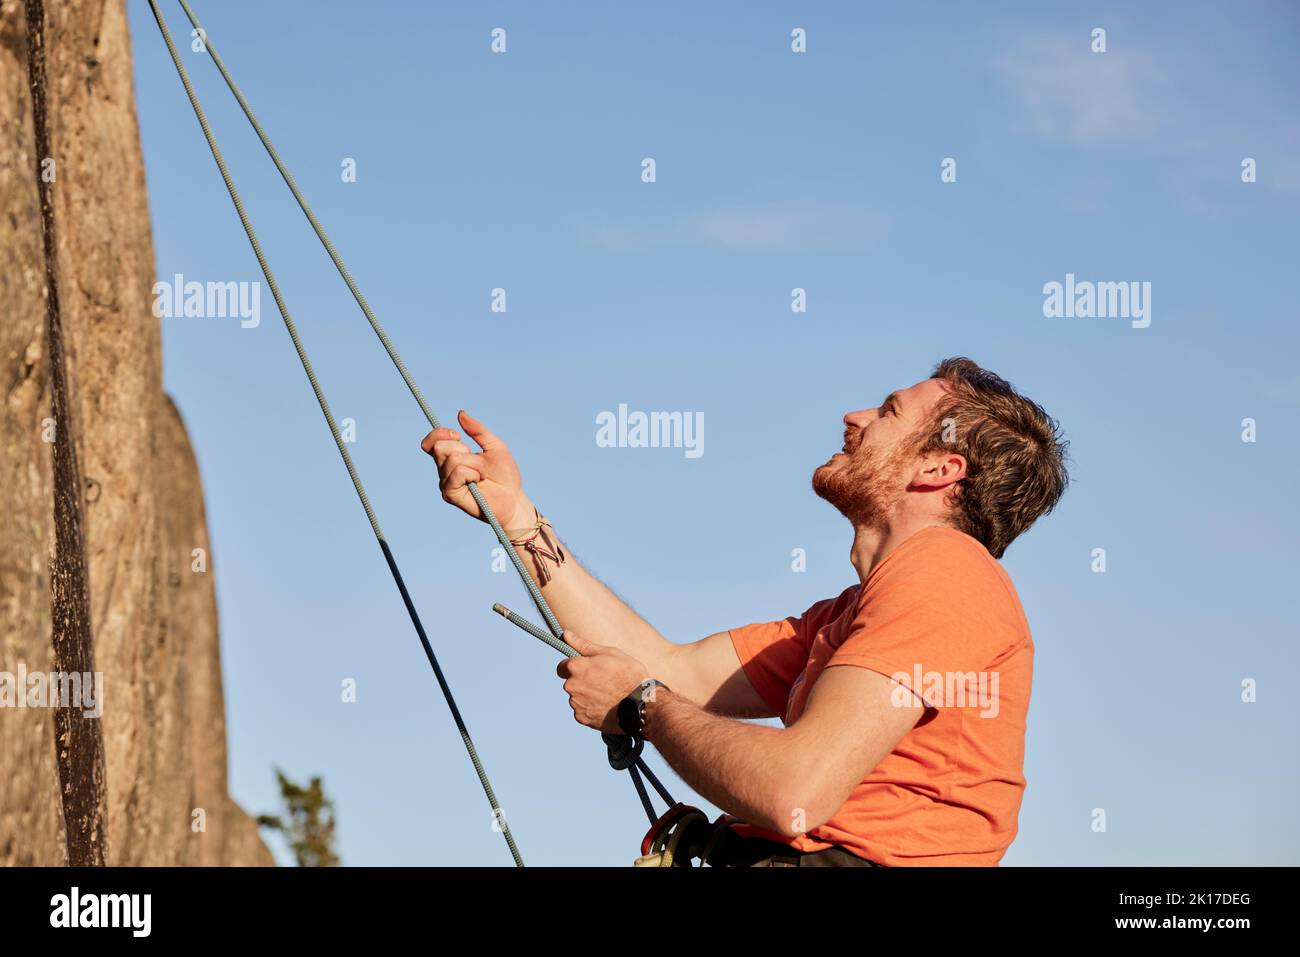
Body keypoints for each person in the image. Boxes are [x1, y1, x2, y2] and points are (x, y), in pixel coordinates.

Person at [421, 357, 1069, 866]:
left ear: (938, 468)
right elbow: (671, 668)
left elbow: (795, 792)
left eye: (889, 410)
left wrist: (643, 703)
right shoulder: (848, 614)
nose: (855, 416)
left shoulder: (947, 571)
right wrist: (518, 519)